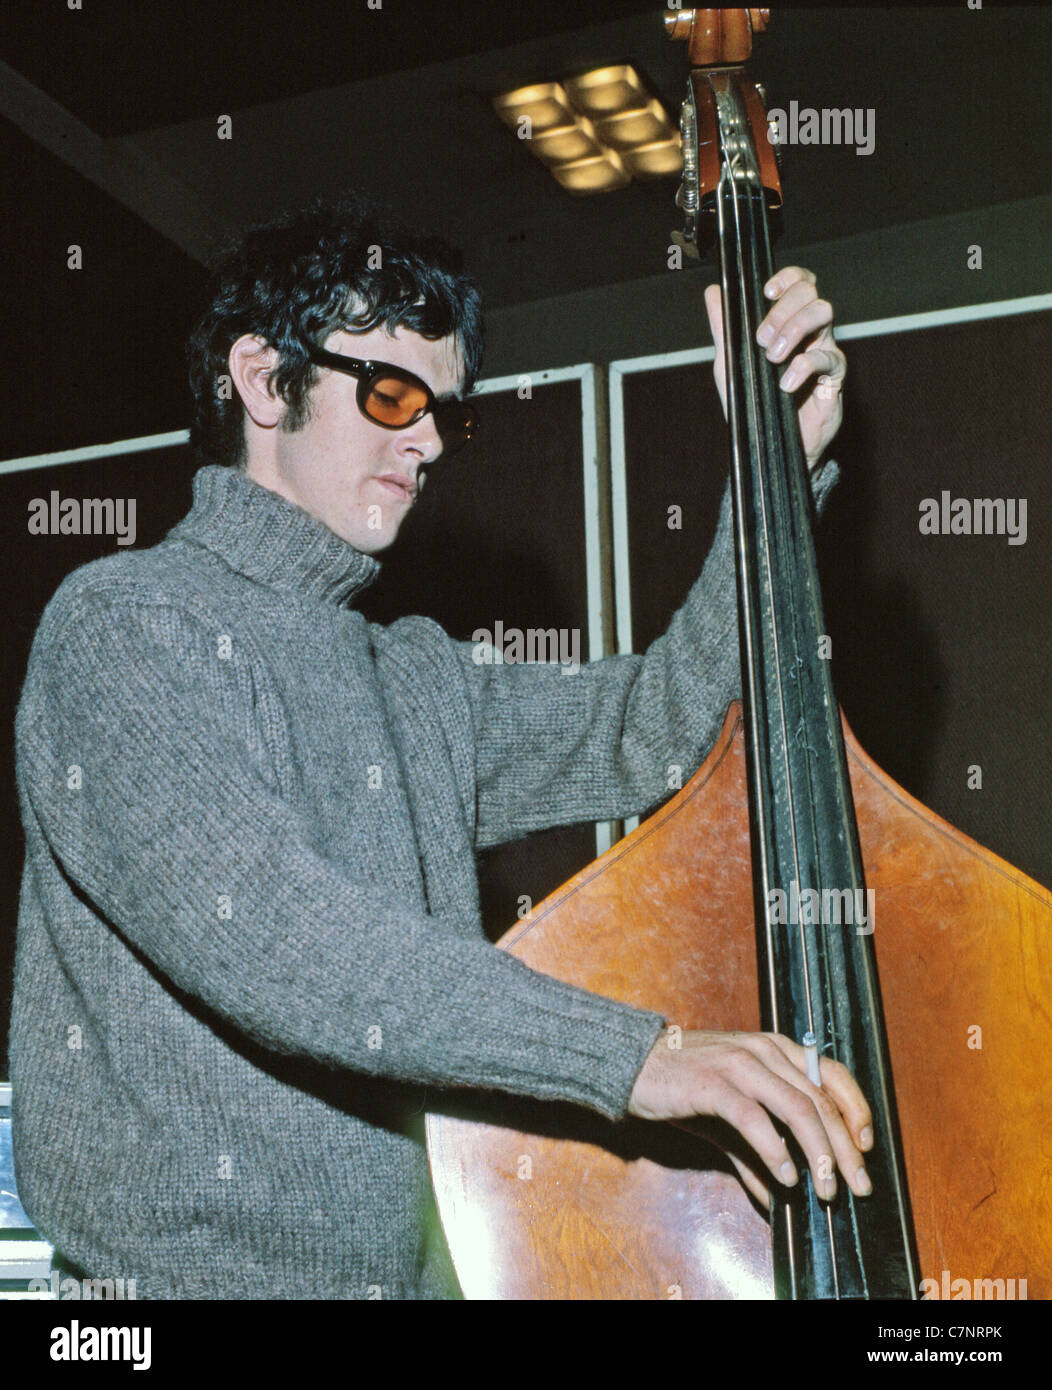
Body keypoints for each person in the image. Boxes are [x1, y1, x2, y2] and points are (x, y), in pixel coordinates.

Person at [10, 195, 864, 1300]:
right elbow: (277, 933)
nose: (423, 440)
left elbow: (658, 728)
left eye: (443, 414)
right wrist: (637, 1056)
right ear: (265, 380)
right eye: (391, 393)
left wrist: (772, 479)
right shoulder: (123, 624)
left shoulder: (412, 674)